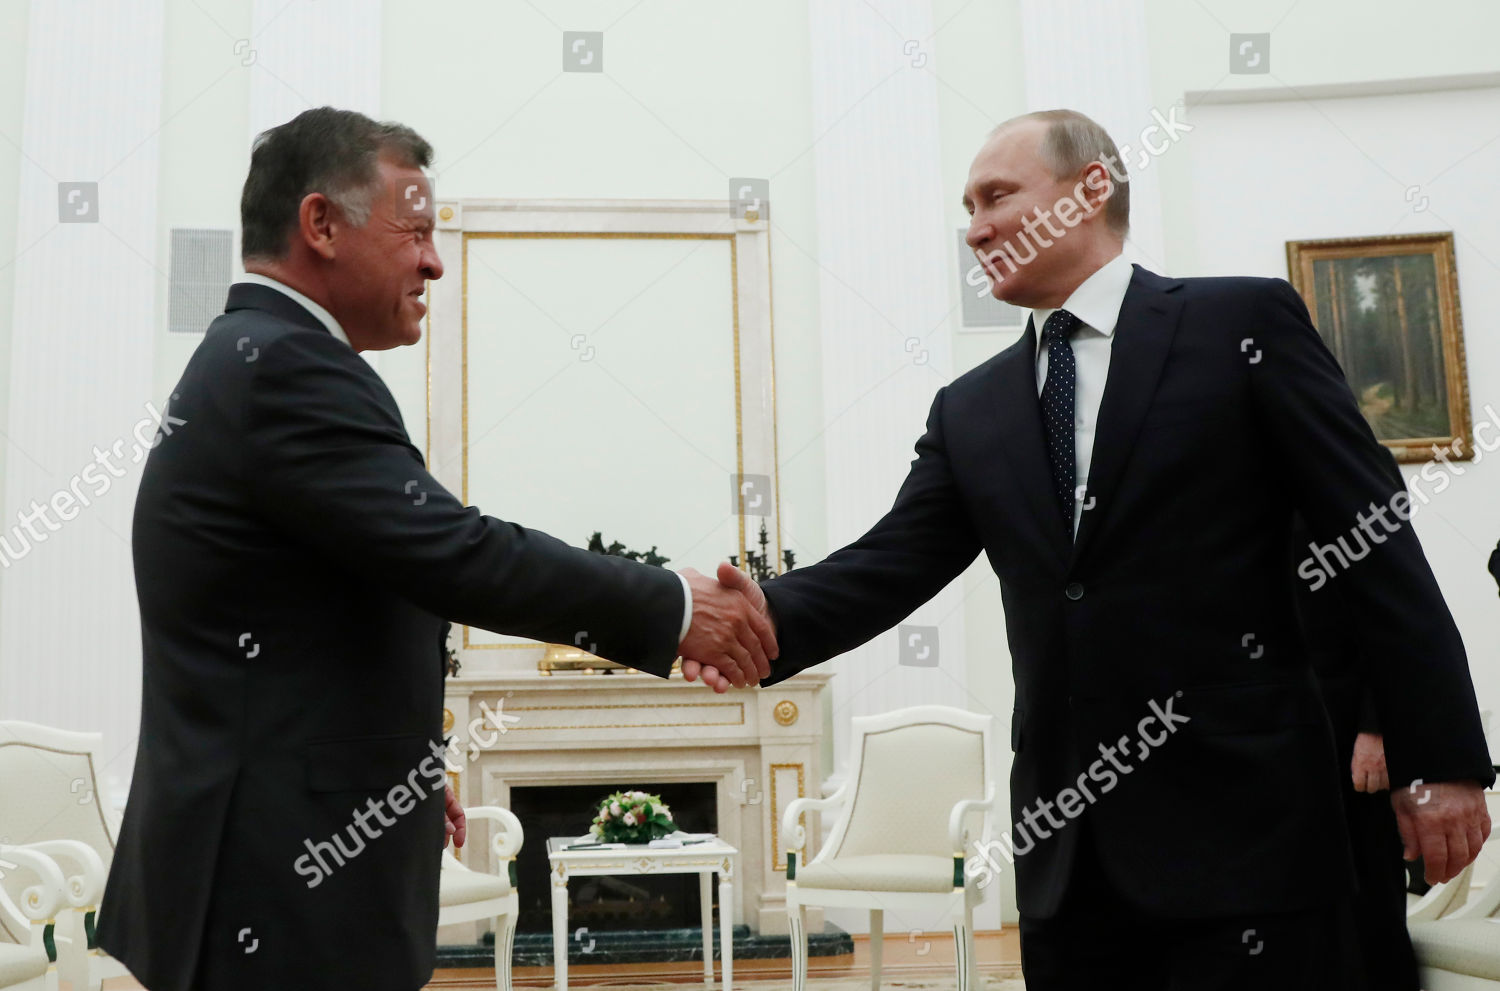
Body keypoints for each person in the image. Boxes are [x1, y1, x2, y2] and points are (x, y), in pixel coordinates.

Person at [704, 109, 1492, 989]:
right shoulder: (970, 408)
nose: (975, 228)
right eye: (966, 208)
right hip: (1068, 861)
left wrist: (1440, 758)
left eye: (997, 195)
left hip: (1250, 844)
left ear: (1089, 190)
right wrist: (745, 622)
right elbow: (886, 567)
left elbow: (1371, 538)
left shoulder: (1241, 322)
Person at [96, 107, 775, 991]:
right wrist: (677, 606)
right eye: (415, 231)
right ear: (321, 224)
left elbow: (332, 605)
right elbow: (456, 553)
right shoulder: (287, 369)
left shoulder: (262, 358)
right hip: (275, 889)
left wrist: (391, 763)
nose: (434, 259)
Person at [1291, 448, 1418, 990]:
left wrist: (1379, 723)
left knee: (1366, 926)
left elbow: (1395, 604)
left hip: (1348, 737)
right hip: (1264, 739)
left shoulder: (1348, 457)